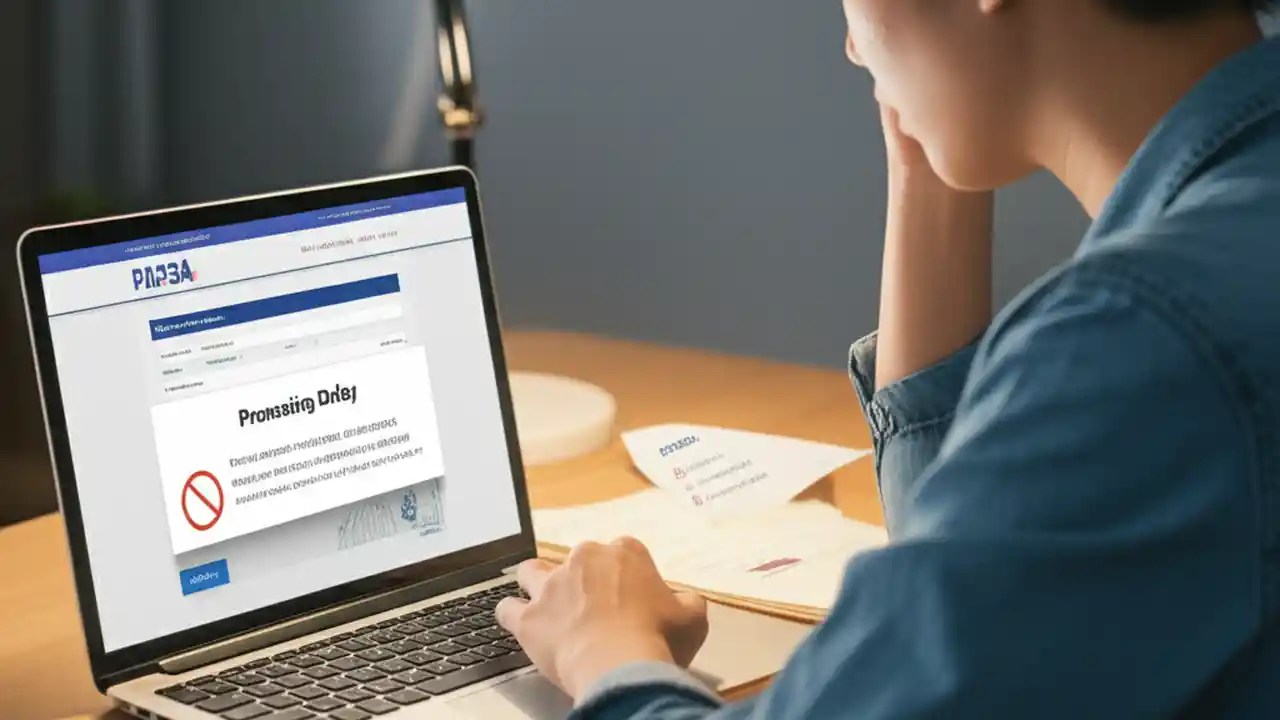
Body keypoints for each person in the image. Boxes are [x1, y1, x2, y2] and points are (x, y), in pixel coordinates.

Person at [496, 0, 1280, 716]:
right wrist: (928, 164)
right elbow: (968, 584)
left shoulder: (1140, 344)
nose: (851, 44)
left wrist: (605, 654)